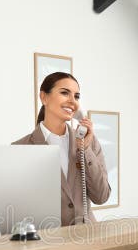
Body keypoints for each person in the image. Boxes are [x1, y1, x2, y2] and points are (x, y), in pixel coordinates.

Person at [13, 72, 110, 226]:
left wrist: (85, 150)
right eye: (65, 93)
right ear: (44, 97)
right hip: (47, 236)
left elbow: (102, 197)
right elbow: (17, 206)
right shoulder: (20, 149)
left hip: (87, 235)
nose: (72, 101)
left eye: (76, 96)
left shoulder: (89, 142)